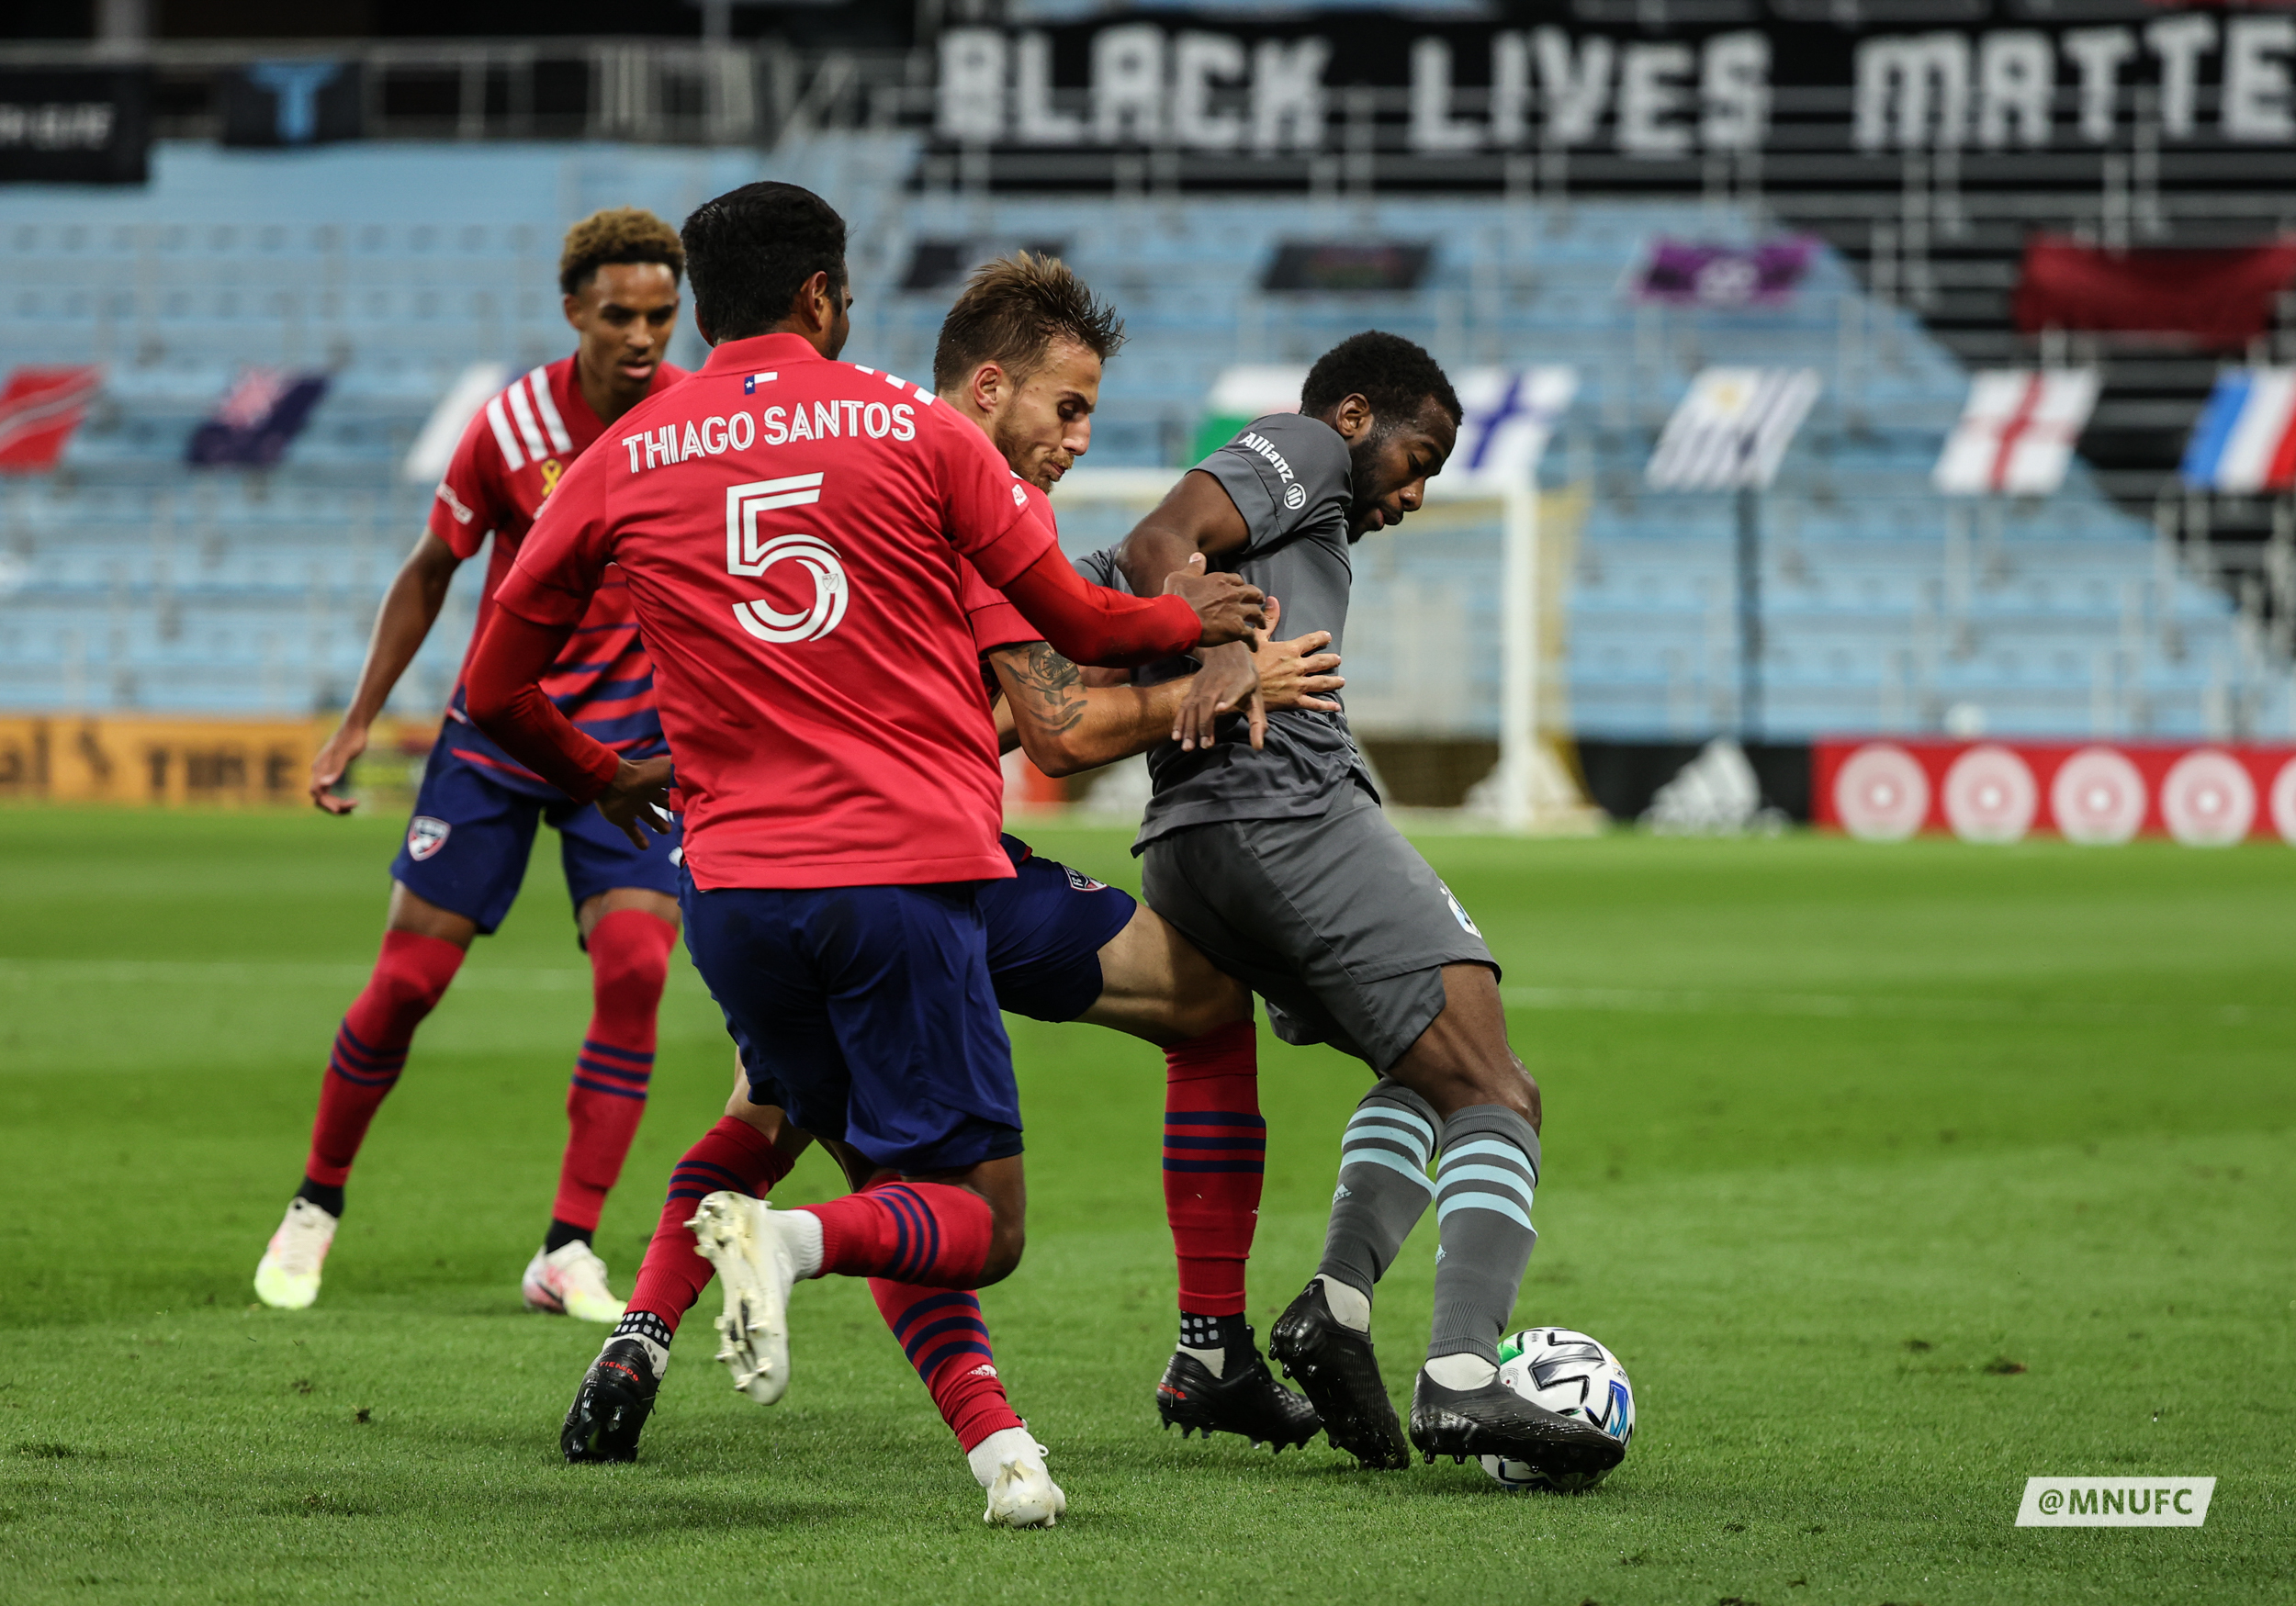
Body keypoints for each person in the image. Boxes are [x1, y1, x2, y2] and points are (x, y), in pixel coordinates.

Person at [460, 183, 1261, 1527]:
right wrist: (1188, 623)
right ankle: (794, 1248)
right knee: (973, 1218)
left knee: (775, 1122)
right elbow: (1075, 622)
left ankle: (995, 1448)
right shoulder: (914, 432)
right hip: (902, 878)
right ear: (826, 296)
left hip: (729, 894)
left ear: (701, 306)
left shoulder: (628, 451)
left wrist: (608, 778)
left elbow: (492, 686)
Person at [1097, 331, 1626, 1486]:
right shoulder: (1298, 448)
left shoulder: (1303, 517)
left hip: (1194, 845)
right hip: (1285, 811)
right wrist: (1213, 639)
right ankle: (1460, 1373)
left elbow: (1132, 573)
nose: (1418, 490)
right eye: (1416, 455)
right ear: (1352, 417)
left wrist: (1201, 635)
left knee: (1423, 1069)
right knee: (1496, 1083)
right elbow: (1153, 546)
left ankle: (1334, 1307)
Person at [253, 208, 693, 1321]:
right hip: (500, 738)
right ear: (572, 311)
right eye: (618, 314)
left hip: (630, 755)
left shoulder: (694, 423)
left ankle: (567, 1248)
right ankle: (314, 1206)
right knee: (408, 984)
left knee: (637, 970)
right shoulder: (510, 427)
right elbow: (430, 569)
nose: (642, 336)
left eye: (660, 313)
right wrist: (358, 720)